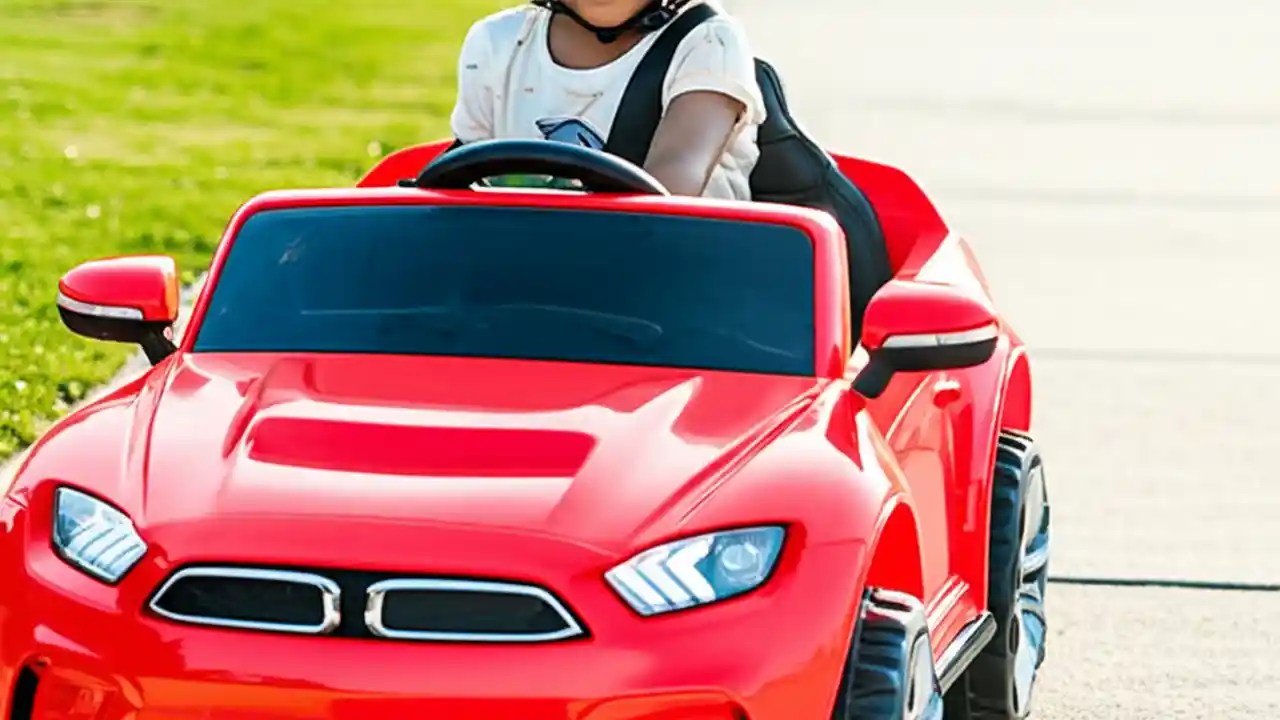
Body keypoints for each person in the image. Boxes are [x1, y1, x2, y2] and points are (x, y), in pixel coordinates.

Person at [448, 0, 765, 199]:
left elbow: (671, 189)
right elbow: (458, 185)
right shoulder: (497, 43)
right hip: (521, 273)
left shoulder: (708, 44)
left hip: (677, 279)